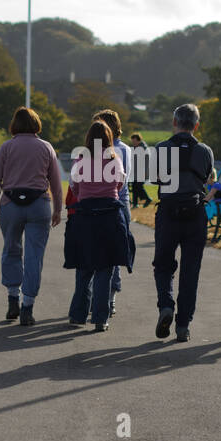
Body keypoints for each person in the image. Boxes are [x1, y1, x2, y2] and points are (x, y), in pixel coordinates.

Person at [0, 107, 63, 326]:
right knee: (34, 256)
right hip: (39, 205)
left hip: (10, 204)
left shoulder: (6, 147)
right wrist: (58, 209)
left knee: (11, 249)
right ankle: (27, 306)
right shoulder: (46, 147)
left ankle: (13, 297)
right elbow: (56, 184)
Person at [151, 104, 214, 343]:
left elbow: (154, 177)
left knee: (163, 265)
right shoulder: (205, 150)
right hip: (195, 214)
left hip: (168, 212)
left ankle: (166, 305)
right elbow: (208, 178)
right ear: (196, 125)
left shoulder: (161, 148)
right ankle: (183, 325)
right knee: (191, 271)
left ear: (174, 122)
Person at [64, 119, 133, 332]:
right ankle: (100, 318)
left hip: (85, 215)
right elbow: (120, 184)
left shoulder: (80, 160)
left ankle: (78, 313)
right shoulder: (115, 160)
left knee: (84, 266)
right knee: (106, 268)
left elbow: (74, 186)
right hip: (109, 215)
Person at [92, 109, 131, 317]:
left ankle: (99, 296)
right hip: (121, 203)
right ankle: (110, 297)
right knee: (114, 254)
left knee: (97, 251)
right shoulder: (125, 149)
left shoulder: (101, 151)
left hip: (109, 203)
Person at [128, 133, 151, 208]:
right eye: (132, 142)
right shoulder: (137, 148)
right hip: (136, 171)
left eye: (134, 141)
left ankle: (147, 199)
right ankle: (135, 204)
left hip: (142, 171)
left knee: (138, 187)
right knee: (135, 187)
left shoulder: (143, 148)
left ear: (139, 140)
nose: (133, 143)